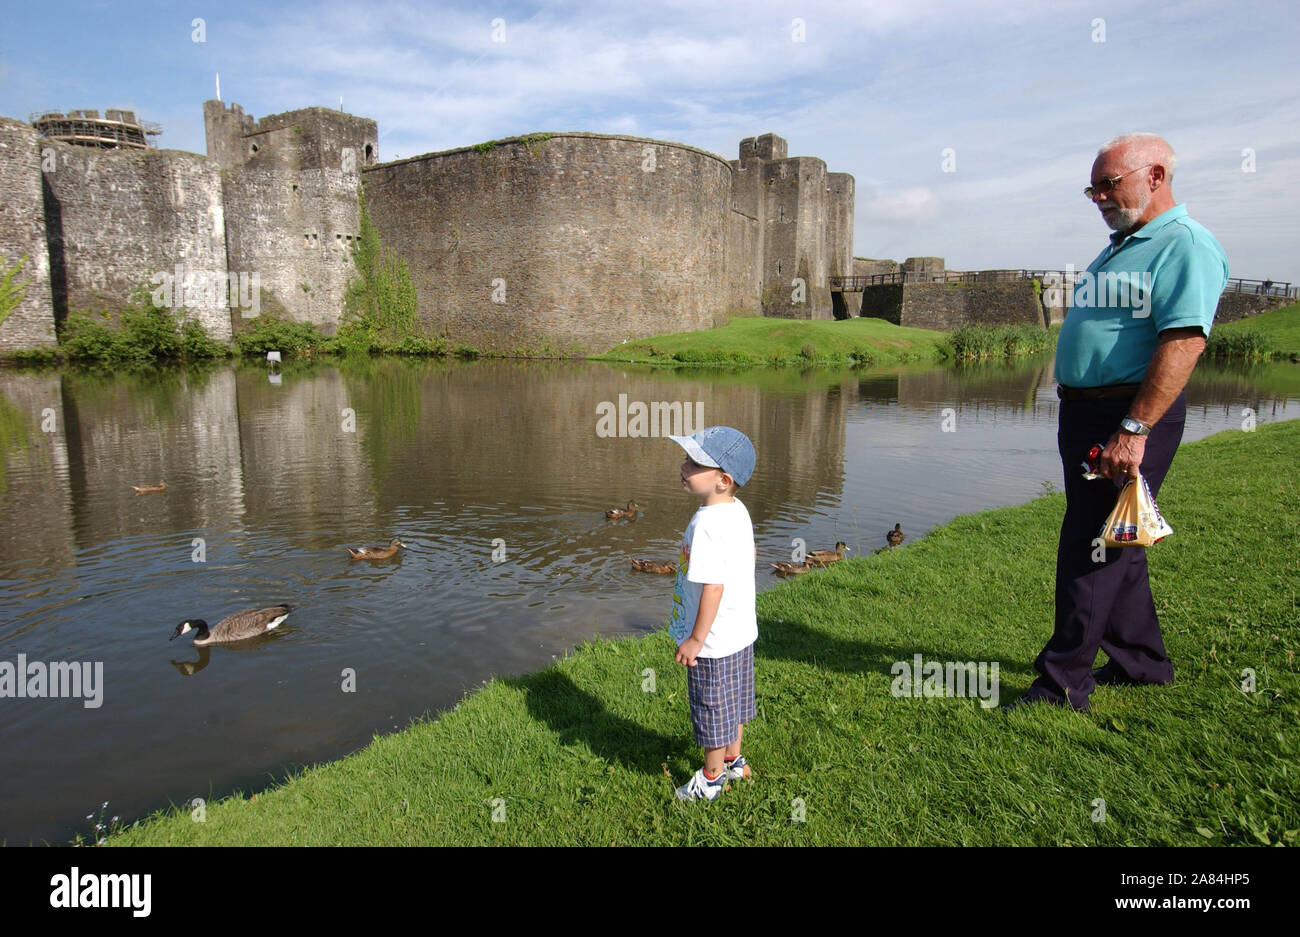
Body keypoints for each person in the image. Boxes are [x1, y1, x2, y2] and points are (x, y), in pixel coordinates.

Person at [1004, 132, 1228, 713]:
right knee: (1118, 536)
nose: (1100, 195)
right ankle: (1143, 663)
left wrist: (1133, 430)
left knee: (1092, 544)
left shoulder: (1184, 245)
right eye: (1093, 186)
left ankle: (1061, 685)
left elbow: (1183, 342)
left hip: (1124, 414)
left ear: (1155, 176)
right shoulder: (1123, 244)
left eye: (1111, 183)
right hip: (1089, 411)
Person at [665, 425, 758, 801]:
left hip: (714, 641)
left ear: (723, 479)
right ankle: (735, 761)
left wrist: (695, 640)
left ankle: (712, 777)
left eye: (694, 462)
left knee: (712, 707)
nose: (684, 467)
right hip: (740, 631)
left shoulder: (706, 525)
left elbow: (713, 588)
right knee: (733, 701)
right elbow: (750, 556)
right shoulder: (738, 509)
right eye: (687, 459)